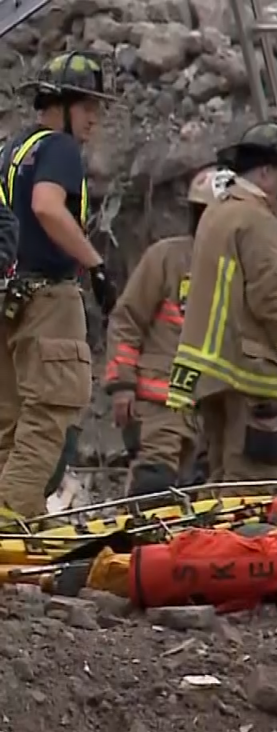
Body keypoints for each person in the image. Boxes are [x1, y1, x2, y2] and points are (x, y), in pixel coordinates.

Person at [166, 122, 277, 482]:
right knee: (254, 490)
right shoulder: (259, 220)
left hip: (211, 377)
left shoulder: (217, 212)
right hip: (251, 380)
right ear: (269, 171)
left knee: (221, 482)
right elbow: (272, 302)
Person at [0, 53, 117, 518]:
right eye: (88, 105)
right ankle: (13, 516)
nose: (95, 117)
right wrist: (96, 266)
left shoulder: (13, 149)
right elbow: (48, 207)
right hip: (47, 296)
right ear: (63, 105)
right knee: (51, 410)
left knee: (9, 420)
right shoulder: (60, 149)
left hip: (10, 297)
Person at [105, 166, 223, 496]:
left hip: (211, 407)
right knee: (153, 486)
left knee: (206, 496)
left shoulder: (240, 269)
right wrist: (122, 385)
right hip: (160, 405)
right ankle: (137, 543)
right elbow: (127, 320)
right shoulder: (166, 258)